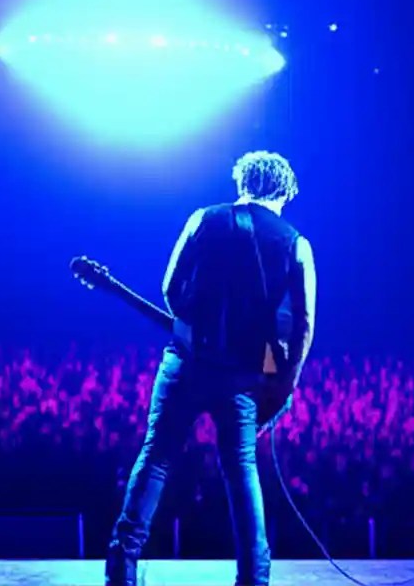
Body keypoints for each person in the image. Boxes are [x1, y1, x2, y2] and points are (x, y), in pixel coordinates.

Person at [105, 151, 317, 586]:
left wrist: (194, 326)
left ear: (241, 181)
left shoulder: (204, 219)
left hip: (186, 363)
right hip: (242, 376)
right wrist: (285, 384)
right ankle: (254, 577)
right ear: (285, 190)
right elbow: (304, 324)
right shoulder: (296, 243)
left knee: (157, 457)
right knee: (241, 469)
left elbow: (170, 288)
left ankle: (121, 569)